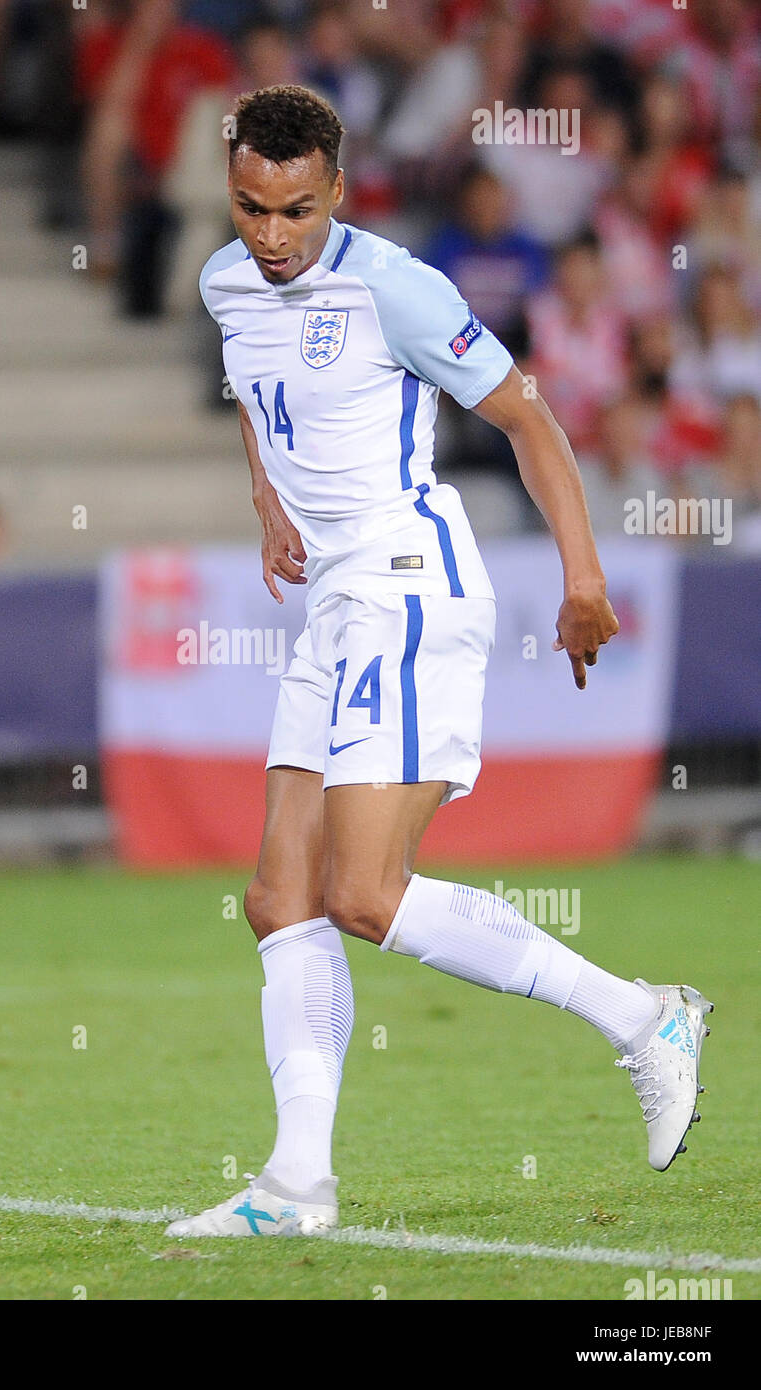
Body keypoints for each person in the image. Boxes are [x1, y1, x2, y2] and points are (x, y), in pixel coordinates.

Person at [166, 85, 713, 1240]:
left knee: (363, 894)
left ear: (338, 191)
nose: (271, 236)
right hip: (331, 605)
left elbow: (531, 420)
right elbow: (257, 406)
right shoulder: (226, 283)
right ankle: (296, 1186)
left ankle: (642, 1016)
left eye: (296, 212)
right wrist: (270, 503)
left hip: (409, 590)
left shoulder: (399, 289)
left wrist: (581, 579)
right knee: (280, 901)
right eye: (252, 208)